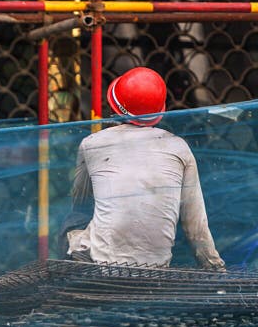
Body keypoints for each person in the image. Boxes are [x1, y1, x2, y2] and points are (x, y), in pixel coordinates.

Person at [65, 66, 225, 270]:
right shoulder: (179, 147)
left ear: (116, 106)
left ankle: (75, 272)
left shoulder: (91, 144)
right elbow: (196, 227)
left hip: (102, 264)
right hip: (157, 267)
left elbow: (80, 201)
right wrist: (215, 268)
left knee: (74, 218)